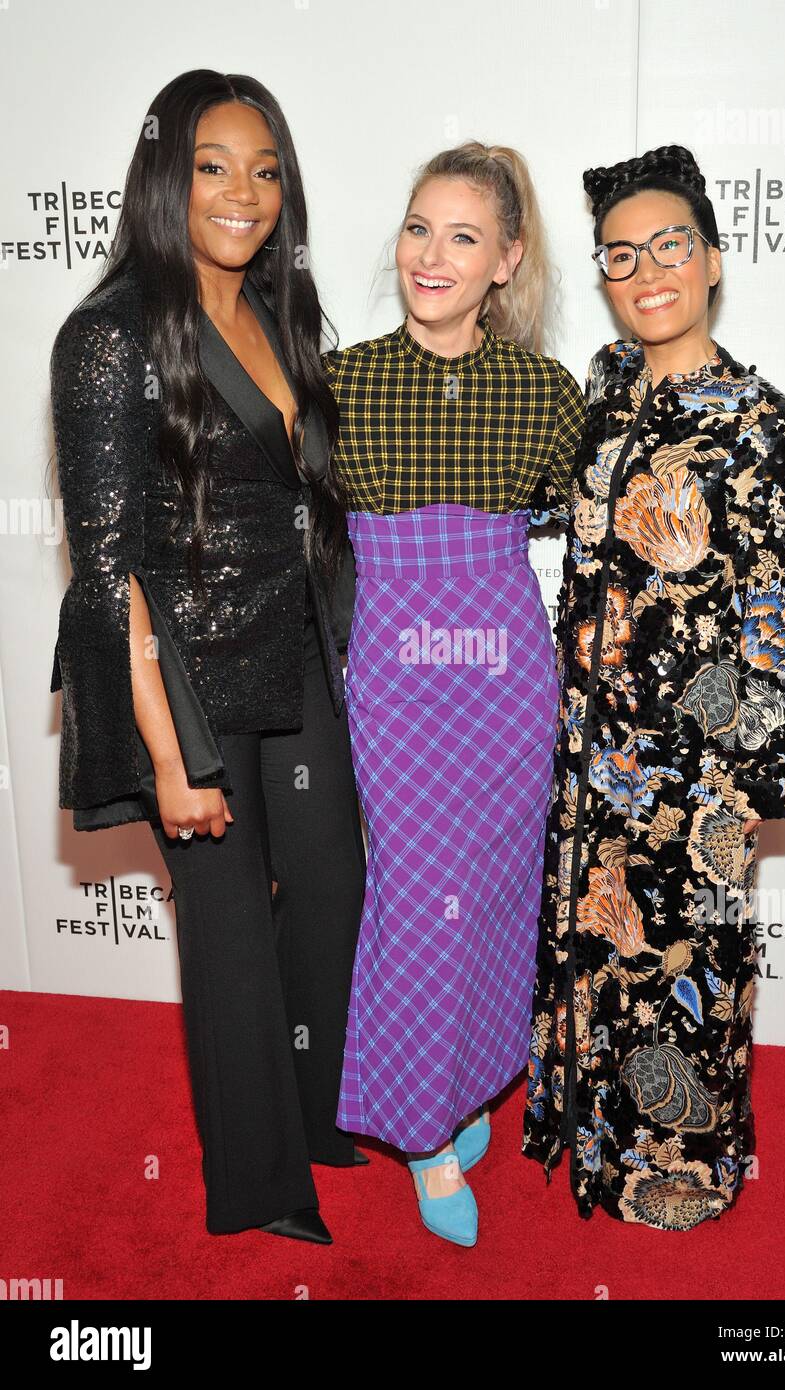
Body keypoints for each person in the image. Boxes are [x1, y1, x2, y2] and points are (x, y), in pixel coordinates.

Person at [49, 70, 365, 1243]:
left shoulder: (284, 310)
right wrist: (167, 750)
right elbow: (106, 565)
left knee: (332, 882)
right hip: (183, 671)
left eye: (266, 169)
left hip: (293, 654)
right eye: (214, 167)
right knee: (228, 930)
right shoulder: (109, 334)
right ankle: (262, 1183)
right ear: (164, 178)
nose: (244, 194)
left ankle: (315, 1104)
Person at [522, 144, 785, 1231]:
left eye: (671, 246)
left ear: (714, 259)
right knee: (594, 949)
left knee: (683, 970)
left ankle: (679, 1171)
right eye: (622, 253)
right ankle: (594, 1141)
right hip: (593, 743)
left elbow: (770, 614)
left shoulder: (758, 423)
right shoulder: (602, 382)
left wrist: (751, 786)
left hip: (694, 766)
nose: (649, 271)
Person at [322, 142, 585, 1246]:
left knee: (490, 898)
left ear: (506, 261)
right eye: (419, 228)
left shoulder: (546, 393)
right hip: (393, 660)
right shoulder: (338, 381)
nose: (432, 255)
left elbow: (576, 531)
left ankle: (466, 1091)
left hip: (505, 671)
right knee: (415, 899)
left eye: (463, 237)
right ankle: (424, 1139)